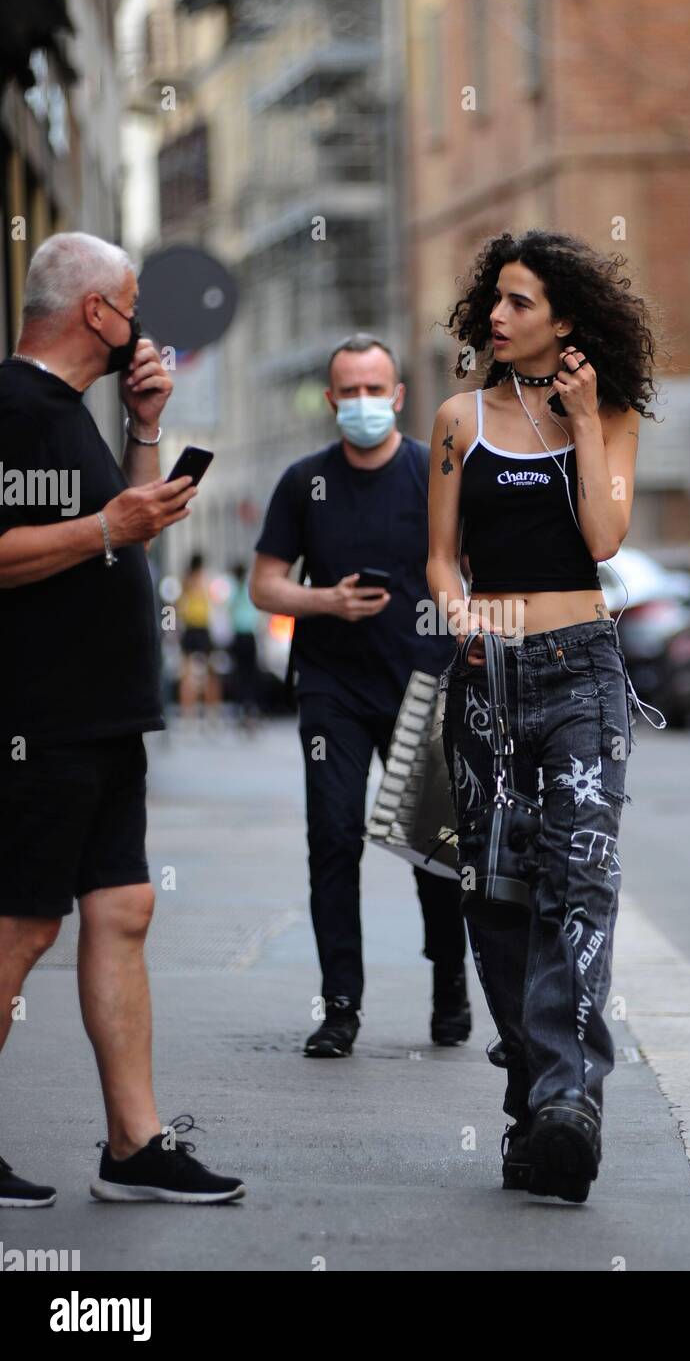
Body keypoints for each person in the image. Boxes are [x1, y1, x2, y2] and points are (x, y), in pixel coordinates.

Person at [0, 232, 245, 1207]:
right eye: (132, 302)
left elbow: (119, 535)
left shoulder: (71, 413)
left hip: (99, 719)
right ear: (96, 311)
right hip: (37, 717)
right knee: (19, 928)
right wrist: (108, 525)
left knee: (122, 909)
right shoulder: (15, 407)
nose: (142, 323)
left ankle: (134, 1144)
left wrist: (142, 427)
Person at [427, 229, 656, 1204]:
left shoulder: (604, 413)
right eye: (495, 301)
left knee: (580, 883)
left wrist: (584, 422)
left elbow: (603, 538)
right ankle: (533, 1088)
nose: (497, 317)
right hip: (488, 678)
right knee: (494, 894)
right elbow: (440, 556)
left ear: (564, 318)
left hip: (579, 673)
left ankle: (569, 1099)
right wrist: (459, 610)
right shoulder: (456, 418)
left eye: (519, 302)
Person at [250, 333, 468, 1057]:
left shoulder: (432, 474)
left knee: (432, 848)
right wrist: (324, 602)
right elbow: (265, 583)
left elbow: (470, 570)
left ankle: (450, 985)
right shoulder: (303, 481)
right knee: (333, 838)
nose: (365, 403)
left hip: (424, 680)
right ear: (331, 399)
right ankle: (340, 1006)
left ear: (400, 397)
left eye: (378, 390)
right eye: (352, 391)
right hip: (332, 688)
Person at [176, 552, 221, 722]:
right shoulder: (205, 580)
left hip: (190, 628)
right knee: (210, 673)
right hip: (201, 627)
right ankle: (211, 713)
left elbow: (176, 607)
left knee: (187, 672)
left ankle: (189, 714)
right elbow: (214, 605)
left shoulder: (185, 581)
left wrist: (172, 628)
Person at [228, 562, 261, 728]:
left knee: (239, 673)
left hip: (238, 636)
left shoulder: (233, 590)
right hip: (249, 635)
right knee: (250, 673)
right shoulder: (249, 589)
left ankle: (241, 707)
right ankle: (250, 707)